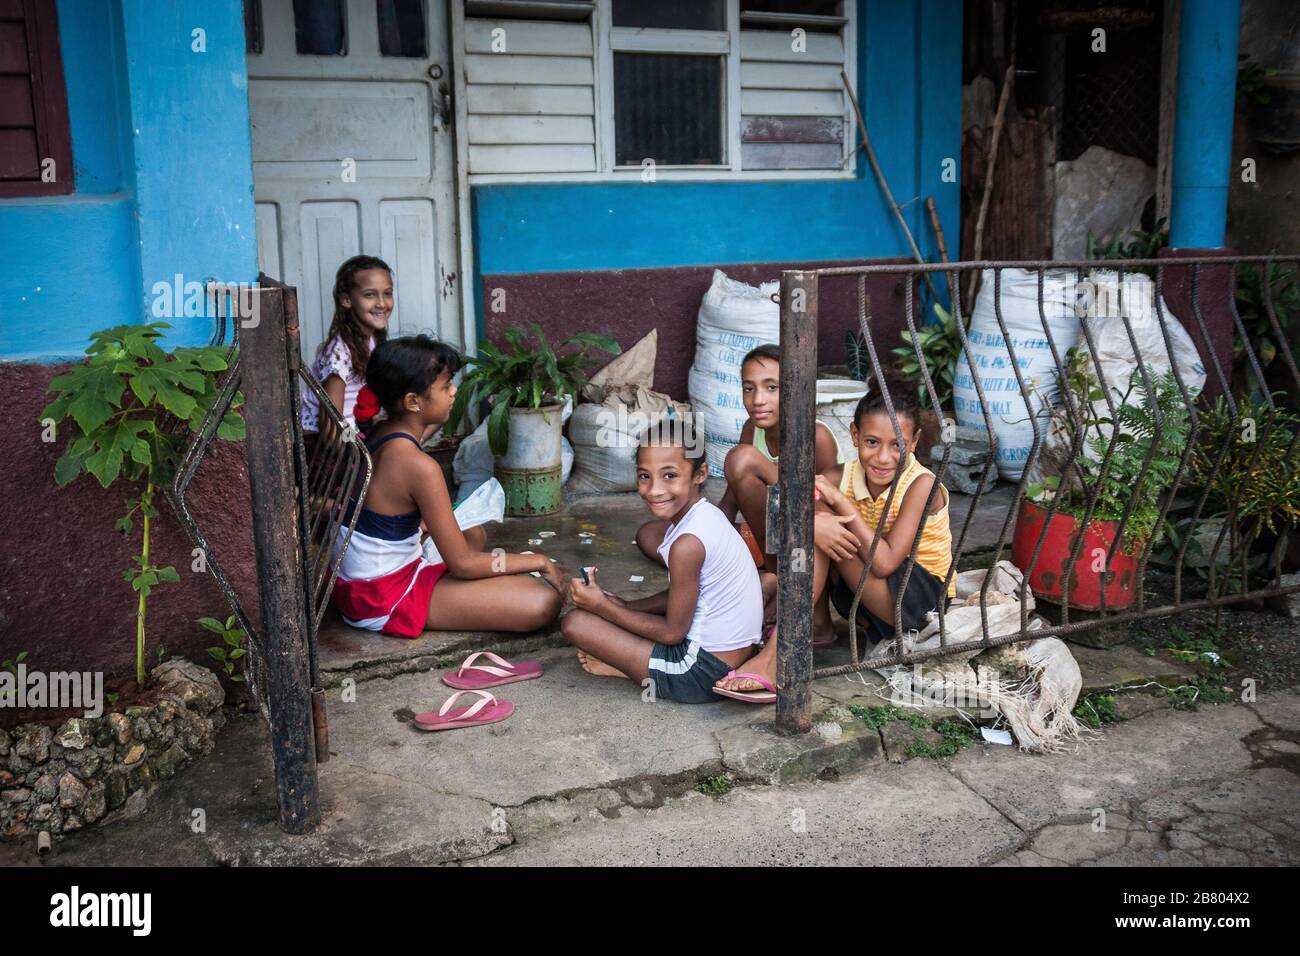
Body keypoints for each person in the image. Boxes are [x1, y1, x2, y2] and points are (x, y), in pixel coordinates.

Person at [714, 385, 954, 699]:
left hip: (918, 601)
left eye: (897, 445)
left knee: (825, 519)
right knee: (816, 520)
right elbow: (786, 513)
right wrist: (816, 521)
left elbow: (886, 562)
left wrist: (839, 505)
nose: (883, 457)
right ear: (854, 436)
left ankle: (776, 656)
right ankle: (807, 627)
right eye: (871, 442)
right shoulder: (839, 474)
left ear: (915, 441)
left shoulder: (922, 484)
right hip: (867, 597)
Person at [332, 335, 566, 637]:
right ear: (413, 402)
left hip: (357, 583)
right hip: (383, 597)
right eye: (445, 387)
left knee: (473, 533)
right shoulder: (418, 466)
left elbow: (428, 423)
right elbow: (464, 565)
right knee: (542, 601)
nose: (454, 391)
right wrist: (540, 561)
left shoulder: (381, 432)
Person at [561, 428, 773, 703]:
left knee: (576, 623)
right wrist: (623, 606)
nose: (654, 490)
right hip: (733, 654)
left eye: (669, 476)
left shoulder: (686, 544)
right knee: (610, 616)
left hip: (700, 673)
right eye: (644, 476)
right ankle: (633, 662)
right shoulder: (707, 515)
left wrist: (602, 607)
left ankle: (630, 670)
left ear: (700, 474)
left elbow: (672, 633)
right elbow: (687, 597)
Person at [302, 255, 393, 436]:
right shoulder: (339, 352)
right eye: (370, 295)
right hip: (329, 442)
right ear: (346, 300)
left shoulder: (373, 339)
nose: (382, 303)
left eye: (387, 293)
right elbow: (331, 426)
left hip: (356, 431)